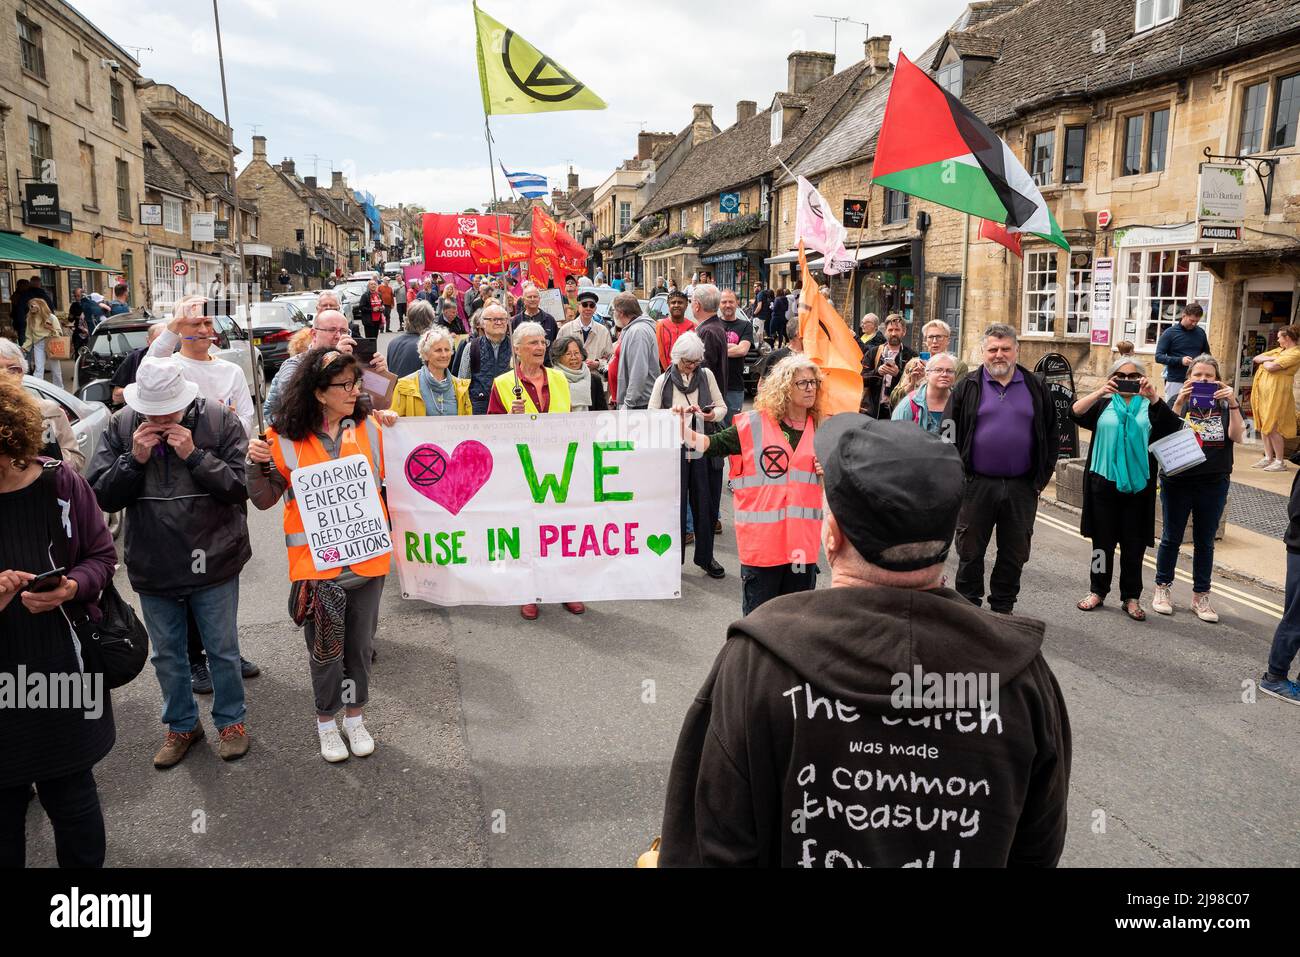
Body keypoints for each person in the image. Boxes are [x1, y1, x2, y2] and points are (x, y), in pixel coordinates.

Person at [658, 414, 1071, 867]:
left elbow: (710, 839)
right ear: (948, 539)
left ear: (830, 537)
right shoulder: (1022, 679)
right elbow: (1039, 848)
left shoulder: (757, 659)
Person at [88, 357, 252, 767]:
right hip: (154, 559)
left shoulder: (218, 419)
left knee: (222, 649)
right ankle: (182, 725)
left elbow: (240, 487)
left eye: (169, 410)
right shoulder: (122, 425)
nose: (161, 419)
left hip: (212, 555)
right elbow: (102, 497)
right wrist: (133, 460)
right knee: (167, 654)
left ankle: (231, 721)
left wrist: (195, 455)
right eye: (153, 412)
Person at [247, 349, 394, 762]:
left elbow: (394, 480)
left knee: (360, 650)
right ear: (318, 393)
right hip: (318, 569)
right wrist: (253, 464)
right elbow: (262, 499)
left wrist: (394, 423)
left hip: (367, 563)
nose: (354, 391)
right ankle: (326, 723)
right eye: (344, 385)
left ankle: (355, 718)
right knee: (325, 653)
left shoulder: (370, 428)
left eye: (355, 383)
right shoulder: (280, 437)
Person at [0, 380, 119, 868]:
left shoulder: (59, 484)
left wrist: (71, 588)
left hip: (61, 668)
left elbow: (101, 556)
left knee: (72, 799)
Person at [678, 354, 823, 614]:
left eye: (814, 382)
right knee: (759, 625)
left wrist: (830, 470)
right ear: (785, 387)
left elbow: (842, 483)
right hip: (763, 550)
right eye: (802, 383)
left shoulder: (824, 430)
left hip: (801, 549)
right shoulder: (753, 425)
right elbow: (712, 445)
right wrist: (683, 431)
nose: (810, 388)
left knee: (797, 625)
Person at [946, 324, 1059, 615]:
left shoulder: (1036, 386)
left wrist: (1040, 480)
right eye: (993, 349)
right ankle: (968, 609)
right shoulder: (966, 386)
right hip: (976, 485)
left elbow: (1051, 435)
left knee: (1014, 553)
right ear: (983, 352)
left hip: (1022, 486)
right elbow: (947, 436)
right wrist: (957, 478)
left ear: (1016, 351)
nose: (999, 355)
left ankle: (1003, 609)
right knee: (970, 552)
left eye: (1005, 349)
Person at [1070, 358, 1183, 620]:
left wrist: (1154, 397)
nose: (1127, 379)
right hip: (1103, 483)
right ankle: (1097, 590)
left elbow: (1172, 426)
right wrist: (1100, 390)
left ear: (1141, 378)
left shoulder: (1149, 407)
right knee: (1101, 544)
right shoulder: (1104, 403)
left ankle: (1131, 597)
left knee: (1133, 547)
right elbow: (1075, 412)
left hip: (1138, 487)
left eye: (1133, 375)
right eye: (1121, 375)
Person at [488, 322, 578, 621]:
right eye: (532, 343)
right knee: (527, 531)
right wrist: (509, 419)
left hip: (558, 465)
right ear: (517, 349)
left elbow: (573, 421)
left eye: (542, 342)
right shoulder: (502, 384)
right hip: (522, 469)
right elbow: (493, 433)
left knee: (561, 529)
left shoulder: (559, 379)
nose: (540, 348)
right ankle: (528, 591)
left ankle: (565, 588)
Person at [1152, 354, 1244, 622]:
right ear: (1189, 377)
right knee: (1172, 537)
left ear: (1217, 380)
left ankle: (1200, 596)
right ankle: (1162, 589)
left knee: (1205, 541)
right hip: (1178, 480)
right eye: (1198, 375)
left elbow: (1237, 436)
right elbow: (1163, 434)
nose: (1203, 380)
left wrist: (1235, 404)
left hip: (1214, 481)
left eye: (1209, 376)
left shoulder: (1226, 407)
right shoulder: (1175, 402)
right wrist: (1180, 401)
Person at [651, 332, 725, 579]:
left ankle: (706, 557)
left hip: (703, 445)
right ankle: (673, 560)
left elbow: (722, 407)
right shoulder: (663, 381)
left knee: (706, 503)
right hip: (674, 449)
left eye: (696, 362)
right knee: (675, 505)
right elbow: (651, 415)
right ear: (676, 358)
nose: (692, 367)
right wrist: (671, 415)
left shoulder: (707, 376)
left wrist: (709, 415)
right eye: (687, 362)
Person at [146, 296, 255, 436]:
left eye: (208, 323)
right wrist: (176, 322)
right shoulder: (169, 368)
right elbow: (149, 369)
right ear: (179, 328)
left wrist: (224, 419)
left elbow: (246, 426)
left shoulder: (233, 371)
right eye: (195, 324)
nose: (203, 330)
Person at [264, 308, 389, 421]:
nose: (338, 336)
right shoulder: (294, 364)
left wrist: (381, 376)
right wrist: (333, 358)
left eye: (344, 331)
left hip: (353, 437)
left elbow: (381, 405)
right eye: (332, 330)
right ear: (314, 334)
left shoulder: (355, 363)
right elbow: (297, 404)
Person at [0, 339, 81, 468]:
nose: (5, 375)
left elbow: (77, 458)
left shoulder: (48, 411)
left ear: (22, 373)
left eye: (13, 369)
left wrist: (48, 461)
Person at [1248, 324, 1300, 472]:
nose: (1277, 340)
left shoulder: (1295, 353)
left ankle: (1279, 461)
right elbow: (1257, 358)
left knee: (1273, 425)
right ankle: (1268, 457)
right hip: (1265, 393)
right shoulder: (1280, 351)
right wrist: (1269, 359)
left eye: (1279, 337)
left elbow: (1271, 367)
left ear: (1287, 338)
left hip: (1278, 392)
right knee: (1265, 424)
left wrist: (1267, 361)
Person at [393, 327, 472, 417]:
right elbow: (395, 423)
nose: (444, 355)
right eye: (438, 350)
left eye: (447, 349)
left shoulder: (461, 387)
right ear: (425, 354)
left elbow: (467, 425)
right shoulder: (404, 386)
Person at [890, 319, 970, 409]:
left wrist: (928, 378)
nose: (935, 341)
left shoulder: (957, 366)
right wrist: (912, 384)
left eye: (939, 337)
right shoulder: (913, 363)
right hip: (913, 415)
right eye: (931, 337)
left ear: (948, 340)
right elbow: (894, 401)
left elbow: (957, 398)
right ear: (925, 341)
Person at [457, 303, 515, 415]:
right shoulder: (471, 348)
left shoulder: (516, 347)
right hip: (479, 411)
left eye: (503, 319)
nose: (499, 322)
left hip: (510, 408)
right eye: (494, 319)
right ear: (483, 323)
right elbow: (462, 383)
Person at [860, 314, 915, 419]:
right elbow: (861, 379)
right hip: (874, 411)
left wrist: (898, 374)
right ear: (885, 331)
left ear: (904, 332)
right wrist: (877, 372)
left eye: (897, 330)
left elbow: (915, 385)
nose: (893, 333)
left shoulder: (911, 355)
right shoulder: (873, 352)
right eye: (890, 330)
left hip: (899, 410)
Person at [892, 352, 958, 435]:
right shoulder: (909, 405)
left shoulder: (960, 403)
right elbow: (895, 439)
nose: (944, 374)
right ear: (927, 374)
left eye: (950, 371)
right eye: (938, 370)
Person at [1154, 303, 1210, 402]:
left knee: (1198, 412)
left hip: (1198, 380)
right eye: (1191, 320)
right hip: (1176, 380)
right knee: (1174, 412)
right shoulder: (1169, 333)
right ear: (1184, 316)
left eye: (1196, 321)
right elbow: (1158, 357)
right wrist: (1180, 360)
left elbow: (1207, 355)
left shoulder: (1201, 333)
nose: (1194, 324)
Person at [614, 292, 659, 410]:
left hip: (639, 405)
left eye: (615, 310)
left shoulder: (638, 332)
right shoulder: (634, 329)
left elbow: (638, 371)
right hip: (635, 403)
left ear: (621, 312)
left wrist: (628, 404)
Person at [719, 289, 756, 425]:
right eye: (724, 302)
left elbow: (742, 350)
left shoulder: (745, 325)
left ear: (737, 303)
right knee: (712, 429)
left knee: (732, 429)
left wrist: (719, 349)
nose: (727, 305)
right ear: (719, 304)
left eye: (731, 301)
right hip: (714, 385)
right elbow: (706, 351)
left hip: (735, 386)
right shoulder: (713, 325)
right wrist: (732, 347)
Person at [111, 322, 166, 406]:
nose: (164, 346)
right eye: (158, 342)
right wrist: (143, 390)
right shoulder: (135, 358)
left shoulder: (180, 356)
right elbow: (116, 396)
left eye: (168, 341)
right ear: (148, 341)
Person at [559, 289, 613, 373]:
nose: (588, 308)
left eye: (591, 306)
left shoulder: (603, 331)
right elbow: (557, 356)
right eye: (584, 305)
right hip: (571, 378)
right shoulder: (565, 329)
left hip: (595, 379)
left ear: (595, 308)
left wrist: (598, 363)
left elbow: (610, 357)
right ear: (578, 307)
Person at [552, 335, 608, 412]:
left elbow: (602, 413)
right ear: (558, 358)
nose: (573, 357)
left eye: (576, 353)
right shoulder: (551, 379)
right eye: (568, 354)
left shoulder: (594, 380)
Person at [387, 298, 436, 379]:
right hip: (414, 390)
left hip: (395, 389)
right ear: (428, 321)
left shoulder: (393, 342)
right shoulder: (425, 346)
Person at [23, 299, 64, 388]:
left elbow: (59, 333)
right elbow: (29, 336)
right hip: (38, 344)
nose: (31, 307)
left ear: (40, 305)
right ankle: (37, 389)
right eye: (30, 306)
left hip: (51, 342)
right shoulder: (30, 319)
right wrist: (25, 347)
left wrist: (51, 328)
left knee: (56, 369)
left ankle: (60, 389)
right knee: (39, 369)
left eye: (33, 305)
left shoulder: (51, 317)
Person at [512, 284, 561, 358]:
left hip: (546, 365)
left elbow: (555, 343)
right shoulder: (516, 320)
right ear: (524, 300)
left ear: (539, 299)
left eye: (535, 297)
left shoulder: (550, 319)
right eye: (529, 297)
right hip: (523, 364)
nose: (532, 299)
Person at [655, 290, 696, 372]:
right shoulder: (660, 326)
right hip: (665, 374)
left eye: (680, 303)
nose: (676, 305)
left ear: (686, 305)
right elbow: (659, 353)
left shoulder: (693, 327)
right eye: (673, 303)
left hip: (689, 375)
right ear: (668, 305)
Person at [11, 276, 52, 345]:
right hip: (41, 325)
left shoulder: (24, 296)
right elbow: (51, 310)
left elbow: (19, 312)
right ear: (40, 284)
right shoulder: (45, 295)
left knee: (27, 345)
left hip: (26, 324)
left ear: (30, 284)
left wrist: (20, 324)